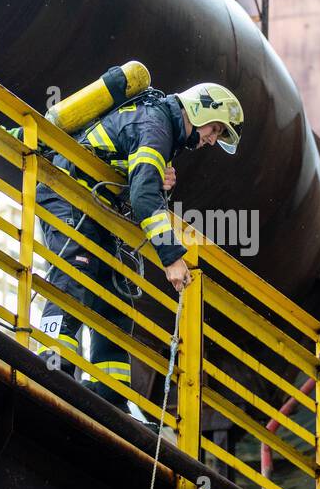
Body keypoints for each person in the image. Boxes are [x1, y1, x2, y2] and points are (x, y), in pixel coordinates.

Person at [37, 83, 244, 407]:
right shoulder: (157, 125)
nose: (212, 140)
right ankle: (50, 367)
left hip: (94, 208)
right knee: (76, 274)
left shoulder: (162, 132)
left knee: (115, 294)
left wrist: (155, 178)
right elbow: (144, 198)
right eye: (215, 129)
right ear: (200, 109)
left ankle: (111, 393)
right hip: (67, 194)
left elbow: (132, 181)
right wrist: (172, 258)